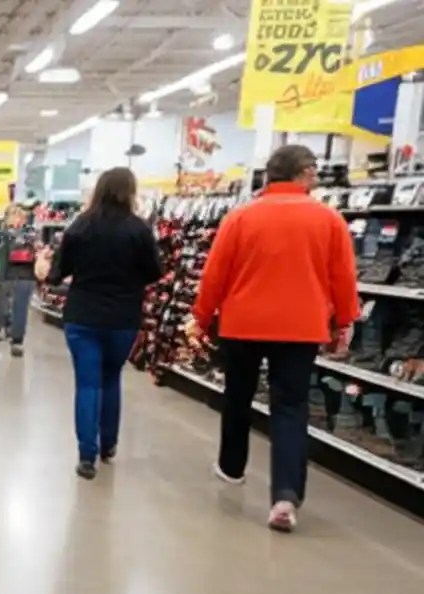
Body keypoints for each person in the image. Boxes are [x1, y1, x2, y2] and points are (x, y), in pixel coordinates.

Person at [193, 145, 358, 533]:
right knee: (290, 407)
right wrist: (344, 321)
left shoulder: (240, 218)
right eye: (314, 170)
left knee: (238, 396)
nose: (317, 177)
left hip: (243, 323)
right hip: (300, 327)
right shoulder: (328, 220)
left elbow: (215, 274)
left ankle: (232, 468)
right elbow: (343, 278)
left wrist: (202, 317)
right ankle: (285, 495)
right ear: (301, 173)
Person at [49, 167, 162, 480]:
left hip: (83, 316)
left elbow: (58, 273)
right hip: (123, 318)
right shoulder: (139, 230)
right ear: (130, 191)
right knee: (111, 379)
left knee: (87, 383)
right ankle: (108, 444)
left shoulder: (80, 227)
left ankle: (87, 455)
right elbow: (155, 272)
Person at [0, 223, 39, 357]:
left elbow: (3, 258)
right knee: (21, 308)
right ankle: (17, 340)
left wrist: (1, 278)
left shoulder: (8, 235)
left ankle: (9, 332)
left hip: (14, 274)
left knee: (14, 306)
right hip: (28, 275)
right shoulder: (33, 233)